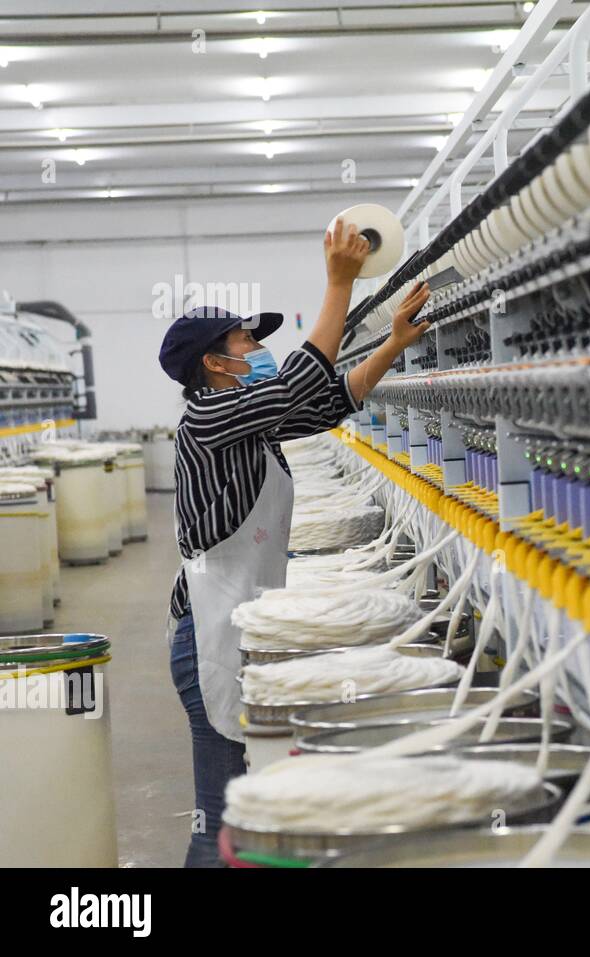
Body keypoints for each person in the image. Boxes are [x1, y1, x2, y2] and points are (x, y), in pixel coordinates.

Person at [156, 221, 431, 866]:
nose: (258, 349)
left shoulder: (247, 417)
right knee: (222, 824)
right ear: (214, 364)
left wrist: (391, 345)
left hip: (235, 627)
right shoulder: (211, 417)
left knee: (241, 818)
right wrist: (338, 284)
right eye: (246, 341)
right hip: (210, 639)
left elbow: (325, 401)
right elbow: (297, 387)